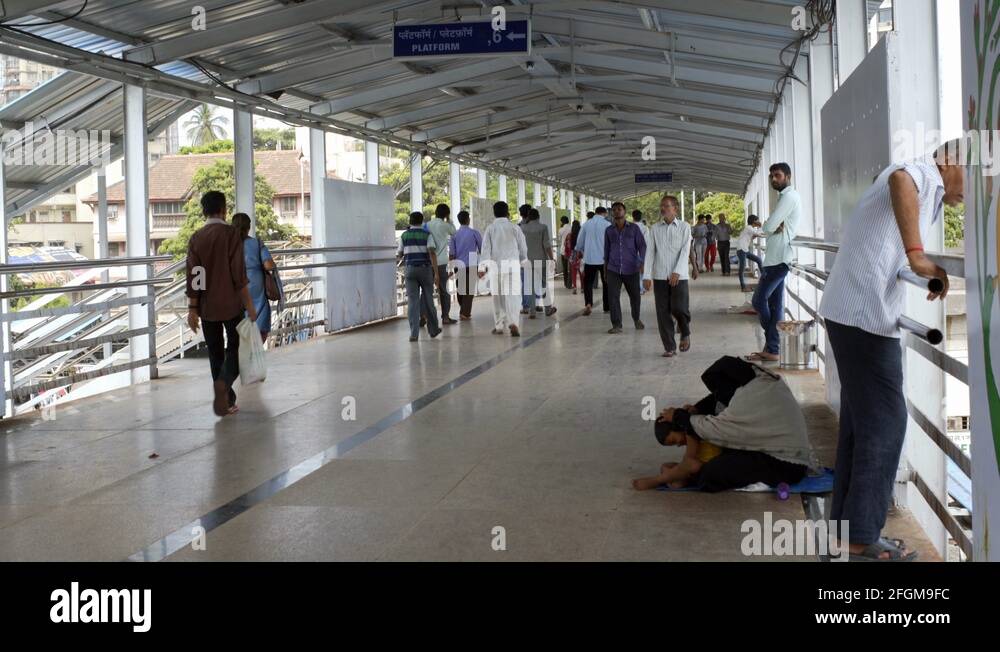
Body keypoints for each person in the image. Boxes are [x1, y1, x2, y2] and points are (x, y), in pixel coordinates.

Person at [817, 141, 962, 562]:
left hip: (854, 311)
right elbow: (902, 181)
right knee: (886, 423)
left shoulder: (926, 185)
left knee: (860, 427)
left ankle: (846, 536)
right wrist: (918, 258)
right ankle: (861, 538)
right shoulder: (916, 172)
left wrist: (919, 265)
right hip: (863, 316)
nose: (968, 194)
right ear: (952, 161)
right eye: (970, 179)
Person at [632, 356, 815, 492]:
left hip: (786, 463)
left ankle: (678, 477)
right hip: (771, 449)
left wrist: (682, 417)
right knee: (720, 456)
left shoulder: (751, 396)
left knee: (714, 473)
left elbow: (717, 428)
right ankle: (680, 475)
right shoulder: (754, 381)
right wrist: (695, 410)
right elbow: (717, 399)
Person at [185, 191, 257, 417]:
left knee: (215, 354)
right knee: (235, 350)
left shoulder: (196, 238)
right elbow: (238, 274)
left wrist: (192, 308)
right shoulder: (232, 235)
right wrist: (250, 305)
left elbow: (196, 275)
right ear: (224, 209)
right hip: (232, 305)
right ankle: (225, 385)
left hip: (207, 307)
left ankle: (226, 401)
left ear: (203, 211)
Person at [747, 163, 801, 363]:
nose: (773, 179)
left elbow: (768, 225)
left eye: (777, 175)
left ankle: (772, 341)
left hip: (779, 260)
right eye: (771, 176)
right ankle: (773, 348)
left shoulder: (789, 197)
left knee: (758, 300)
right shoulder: (783, 197)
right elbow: (770, 226)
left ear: (788, 176)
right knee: (776, 305)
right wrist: (771, 225)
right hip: (774, 258)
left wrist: (771, 225)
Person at [643, 195, 692, 357]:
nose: (663, 208)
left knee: (679, 308)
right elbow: (650, 253)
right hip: (660, 275)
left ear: (675, 208)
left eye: (667, 206)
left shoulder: (685, 227)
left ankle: (685, 331)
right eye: (661, 206)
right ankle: (669, 347)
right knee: (662, 312)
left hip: (680, 275)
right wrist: (647, 276)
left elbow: (685, 251)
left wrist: (677, 271)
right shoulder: (655, 228)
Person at [479, 201, 528, 337]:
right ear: (507, 213)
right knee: (513, 296)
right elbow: (522, 247)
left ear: (494, 213)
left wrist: (483, 267)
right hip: (512, 265)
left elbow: (486, 249)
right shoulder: (515, 228)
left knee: (498, 297)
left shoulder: (490, 229)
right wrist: (523, 260)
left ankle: (499, 326)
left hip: (496, 266)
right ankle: (514, 323)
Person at [398, 211, 443, 342]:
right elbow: (432, 253)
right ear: (422, 221)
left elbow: (400, 254)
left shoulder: (404, 236)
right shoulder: (427, 235)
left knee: (413, 301)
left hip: (410, 270)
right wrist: (436, 273)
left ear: (410, 222)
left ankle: (414, 333)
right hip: (425, 269)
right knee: (428, 299)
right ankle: (433, 330)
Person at [603, 201, 646, 333]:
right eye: (614, 210)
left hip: (631, 268)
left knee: (635, 296)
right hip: (613, 269)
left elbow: (642, 246)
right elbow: (606, 250)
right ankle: (617, 324)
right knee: (613, 297)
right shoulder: (609, 230)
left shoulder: (634, 228)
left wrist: (642, 263)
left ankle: (636, 318)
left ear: (624, 212)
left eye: (619, 209)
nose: (616, 211)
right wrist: (605, 270)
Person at [231, 212, 274, 343]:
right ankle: (255, 354)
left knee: (238, 331)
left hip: (236, 289)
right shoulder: (257, 243)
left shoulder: (228, 246)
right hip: (256, 288)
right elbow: (269, 265)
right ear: (249, 227)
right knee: (260, 329)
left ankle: (241, 356)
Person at [520, 206, 557, 318]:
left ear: (529, 217)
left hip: (527, 261)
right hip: (540, 260)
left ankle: (532, 311)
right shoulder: (543, 227)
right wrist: (552, 259)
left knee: (530, 286)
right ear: (538, 217)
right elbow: (546, 245)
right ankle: (548, 308)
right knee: (543, 285)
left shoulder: (522, 228)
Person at [574, 206, 611, 315]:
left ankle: (588, 304)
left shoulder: (586, 224)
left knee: (588, 283)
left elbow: (579, 241)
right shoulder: (607, 225)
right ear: (604, 213)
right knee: (606, 283)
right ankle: (607, 307)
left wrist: (578, 250)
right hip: (604, 260)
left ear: (595, 213)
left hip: (589, 259)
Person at [426, 203, 457, 325]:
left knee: (427, 290)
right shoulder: (445, 225)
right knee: (443, 290)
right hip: (442, 263)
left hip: (429, 262)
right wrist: (449, 219)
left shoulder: (427, 225)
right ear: (446, 214)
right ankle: (445, 317)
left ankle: (424, 316)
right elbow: (454, 232)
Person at [451, 210, 482, 321]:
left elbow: (452, 253)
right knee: (469, 291)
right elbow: (482, 247)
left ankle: (464, 311)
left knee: (461, 289)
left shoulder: (454, 235)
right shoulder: (474, 233)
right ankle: (464, 312)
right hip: (472, 264)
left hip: (458, 264)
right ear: (468, 220)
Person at [735, 215, 765, 292]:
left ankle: (764, 280)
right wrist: (761, 226)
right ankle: (743, 287)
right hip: (741, 250)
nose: (758, 222)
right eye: (757, 220)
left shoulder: (750, 229)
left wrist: (759, 229)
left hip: (745, 250)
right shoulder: (749, 228)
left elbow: (752, 236)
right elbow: (759, 235)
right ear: (754, 221)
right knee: (742, 269)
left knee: (759, 260)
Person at [566, 220, 583, 294]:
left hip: (572, 255)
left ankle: (575, 287)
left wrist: (567, 255)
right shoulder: (582, 235)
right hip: (580, 255)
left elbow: (566, 246)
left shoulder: (569, 235)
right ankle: (582, 288)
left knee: (573, 272)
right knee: (581, 272)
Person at [557, 216, 572, 289]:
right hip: (572, 251)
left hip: (563, 250)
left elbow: (559, 239)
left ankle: (566, 283)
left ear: (562, 222)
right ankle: (570, 283)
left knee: (565, 267)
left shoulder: (561, 229)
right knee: (571, 267)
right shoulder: (572, 228)